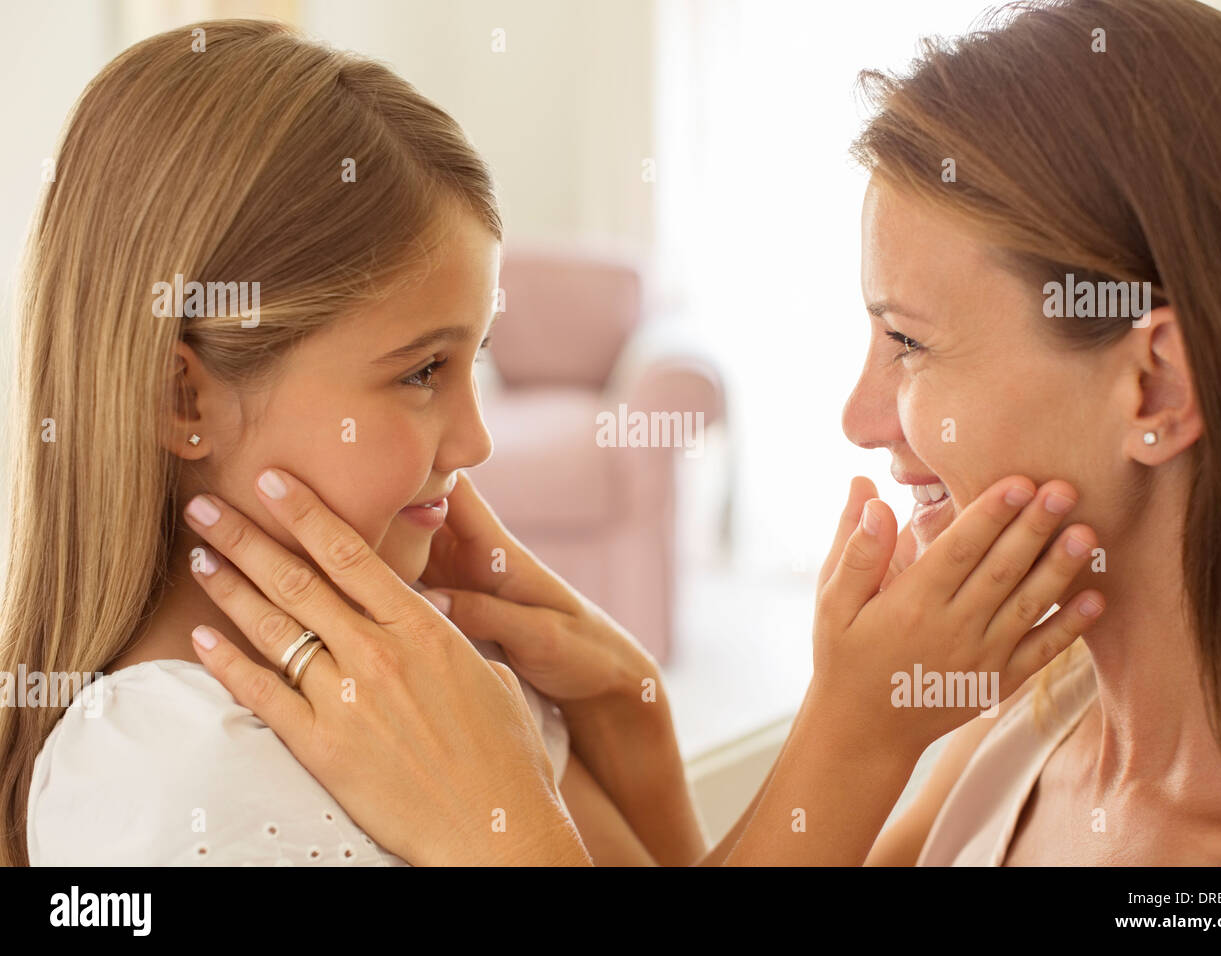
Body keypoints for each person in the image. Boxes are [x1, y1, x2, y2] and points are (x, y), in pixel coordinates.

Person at [2, 16, 1102, 866]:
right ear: (183, 398)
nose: (473, 437)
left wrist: (632, 724)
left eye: (474, 360)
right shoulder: (158, 779)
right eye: (421, 370)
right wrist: (857, 734)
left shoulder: (451, 684)